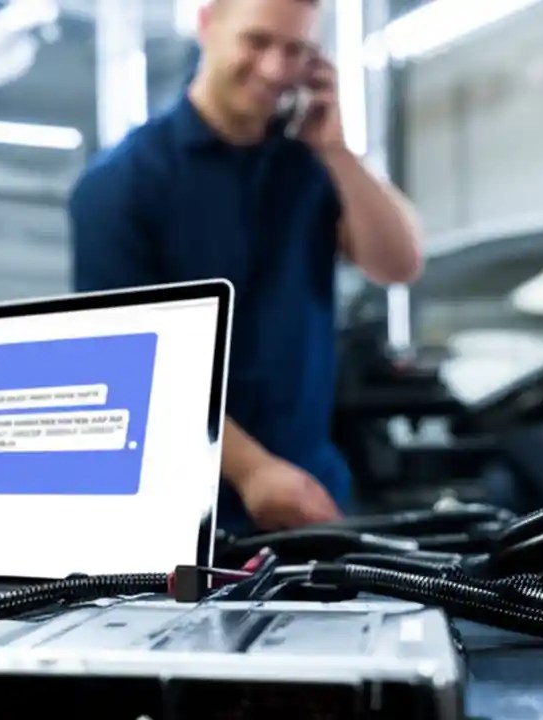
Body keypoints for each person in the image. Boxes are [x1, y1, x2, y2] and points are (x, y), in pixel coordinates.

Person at [68, 0, 423, 535]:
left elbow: (398, 263)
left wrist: (338, 152)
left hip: (309, 493)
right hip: (183, 511)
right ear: (207, 24)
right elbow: (127, 360)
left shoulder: (310, 166)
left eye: (296, 50)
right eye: (257, 42)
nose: (276, 69)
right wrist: (252, 470)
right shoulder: (122, 183)